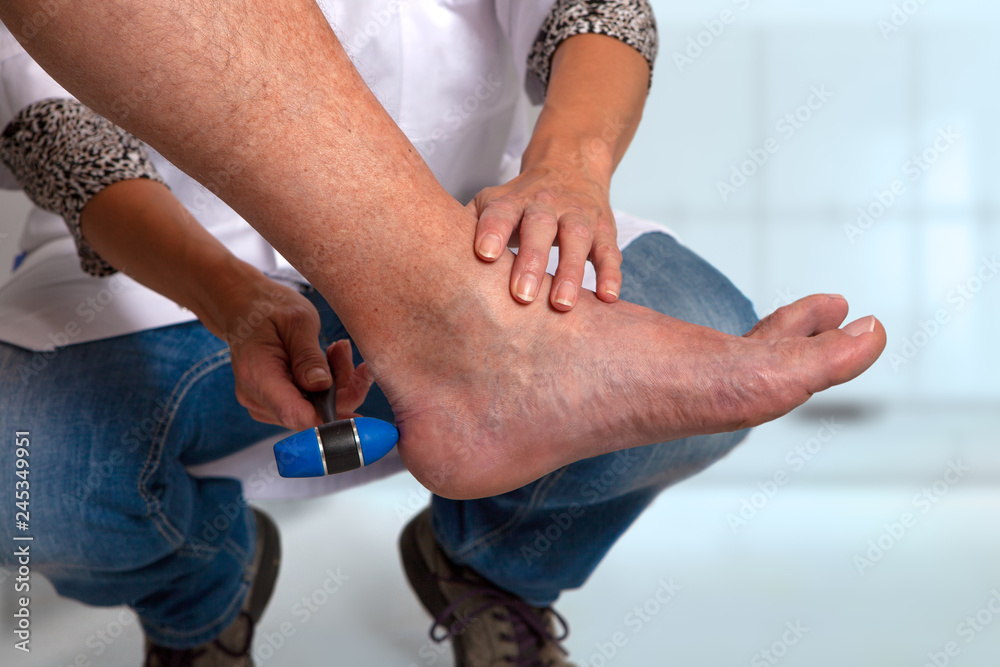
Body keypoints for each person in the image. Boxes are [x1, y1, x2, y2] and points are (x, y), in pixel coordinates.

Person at [0, 1, 886, 665]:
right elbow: (73, 150)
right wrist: (233, 298)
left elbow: (595, 11)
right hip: (182, 290)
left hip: (481, 247)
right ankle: (200, 591)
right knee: (24, 473)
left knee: (703, 326)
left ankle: (492, 569)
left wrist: (566, 169)